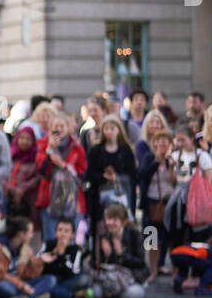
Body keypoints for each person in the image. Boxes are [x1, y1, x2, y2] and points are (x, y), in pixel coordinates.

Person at [84, 115, 137, 250]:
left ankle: (124, 257)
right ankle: (99, 258)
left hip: (122, 197)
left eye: (112, 128)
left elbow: (133, 174)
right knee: (101, 229)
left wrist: (116, 178)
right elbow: (89, 174)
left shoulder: (125, 150)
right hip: (100, 199)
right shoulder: (96, 150)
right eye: (106, 128)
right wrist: (103, 177)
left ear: (118, 130)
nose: (109, 131)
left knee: (124, 227)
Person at [35, 114, 87, 246]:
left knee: (71, 242)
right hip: (50, 198)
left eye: (62, 126)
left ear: (68, 127)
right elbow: (42, 171)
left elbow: (82, 173)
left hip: (72, 198)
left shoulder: (77, 147)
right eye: (56, 126)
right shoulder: (42, 144)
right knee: (51, 240)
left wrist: (64, 166)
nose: (59, 129)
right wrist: (50, 149)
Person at [0, 215, 55, 298]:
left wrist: (40, 261)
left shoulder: (25, 248)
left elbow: (29, 275)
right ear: (21, 234)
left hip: (19, 283)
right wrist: (22, 286)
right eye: (30, 232)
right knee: (5, 288)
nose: (31, 236)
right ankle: (32, 297)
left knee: (50, 279)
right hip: (4, 283)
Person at [137, 129, 177, 279]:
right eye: (158, 141)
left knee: (171, 239)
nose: (161, 144)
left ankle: (174, 271)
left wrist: (171, 166)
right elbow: (142, 175)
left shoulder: (173, 159)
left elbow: (175, 181)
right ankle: (153, 270)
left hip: (170, 203)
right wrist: (156, 162)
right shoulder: (149, 157)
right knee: (152, 240)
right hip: (152, 204)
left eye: (165, 141)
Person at [92, 204, 148, 298]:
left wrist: (122, 254)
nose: (110, 223)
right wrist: (106, 256)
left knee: (132, 293)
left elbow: (140, 262)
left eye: (115, 220)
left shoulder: (134, 235)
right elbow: (96, 265)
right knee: (96, 292)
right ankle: (114, 294)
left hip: (131, 279)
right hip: (110, 279)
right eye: (108, 219)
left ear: (124, 221)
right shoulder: (103, 237)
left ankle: (114, 294)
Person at [170, 231, 212, 297]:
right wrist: (209, 284)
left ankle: (178, 280)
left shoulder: (205, 246)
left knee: (184, 266)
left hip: (175, 253)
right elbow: (208, 269)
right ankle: (203, 287)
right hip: (188, 255)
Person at [41, 217, 91, 298]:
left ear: (72, 235)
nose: (62, 234)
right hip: (50, 280)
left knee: (84, 279)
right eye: (60, 230)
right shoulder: (48, 245)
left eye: (66, 231)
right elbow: (40, 265)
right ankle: (71, 295)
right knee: (48, 282)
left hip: (67, 281)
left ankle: (52, 292)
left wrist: (62, 255)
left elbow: (75, 272)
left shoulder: (76, 249)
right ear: (56, 233)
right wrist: (53, 254)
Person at [5, 126, 42, 222]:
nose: (24, 141)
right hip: (10, 199)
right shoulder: (11, 156)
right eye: (21, 138)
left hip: (28, 201)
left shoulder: (35, 158)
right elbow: (4, 174)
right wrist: (10, 188)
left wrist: (23, 188)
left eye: (28, 139)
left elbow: (37, 177)